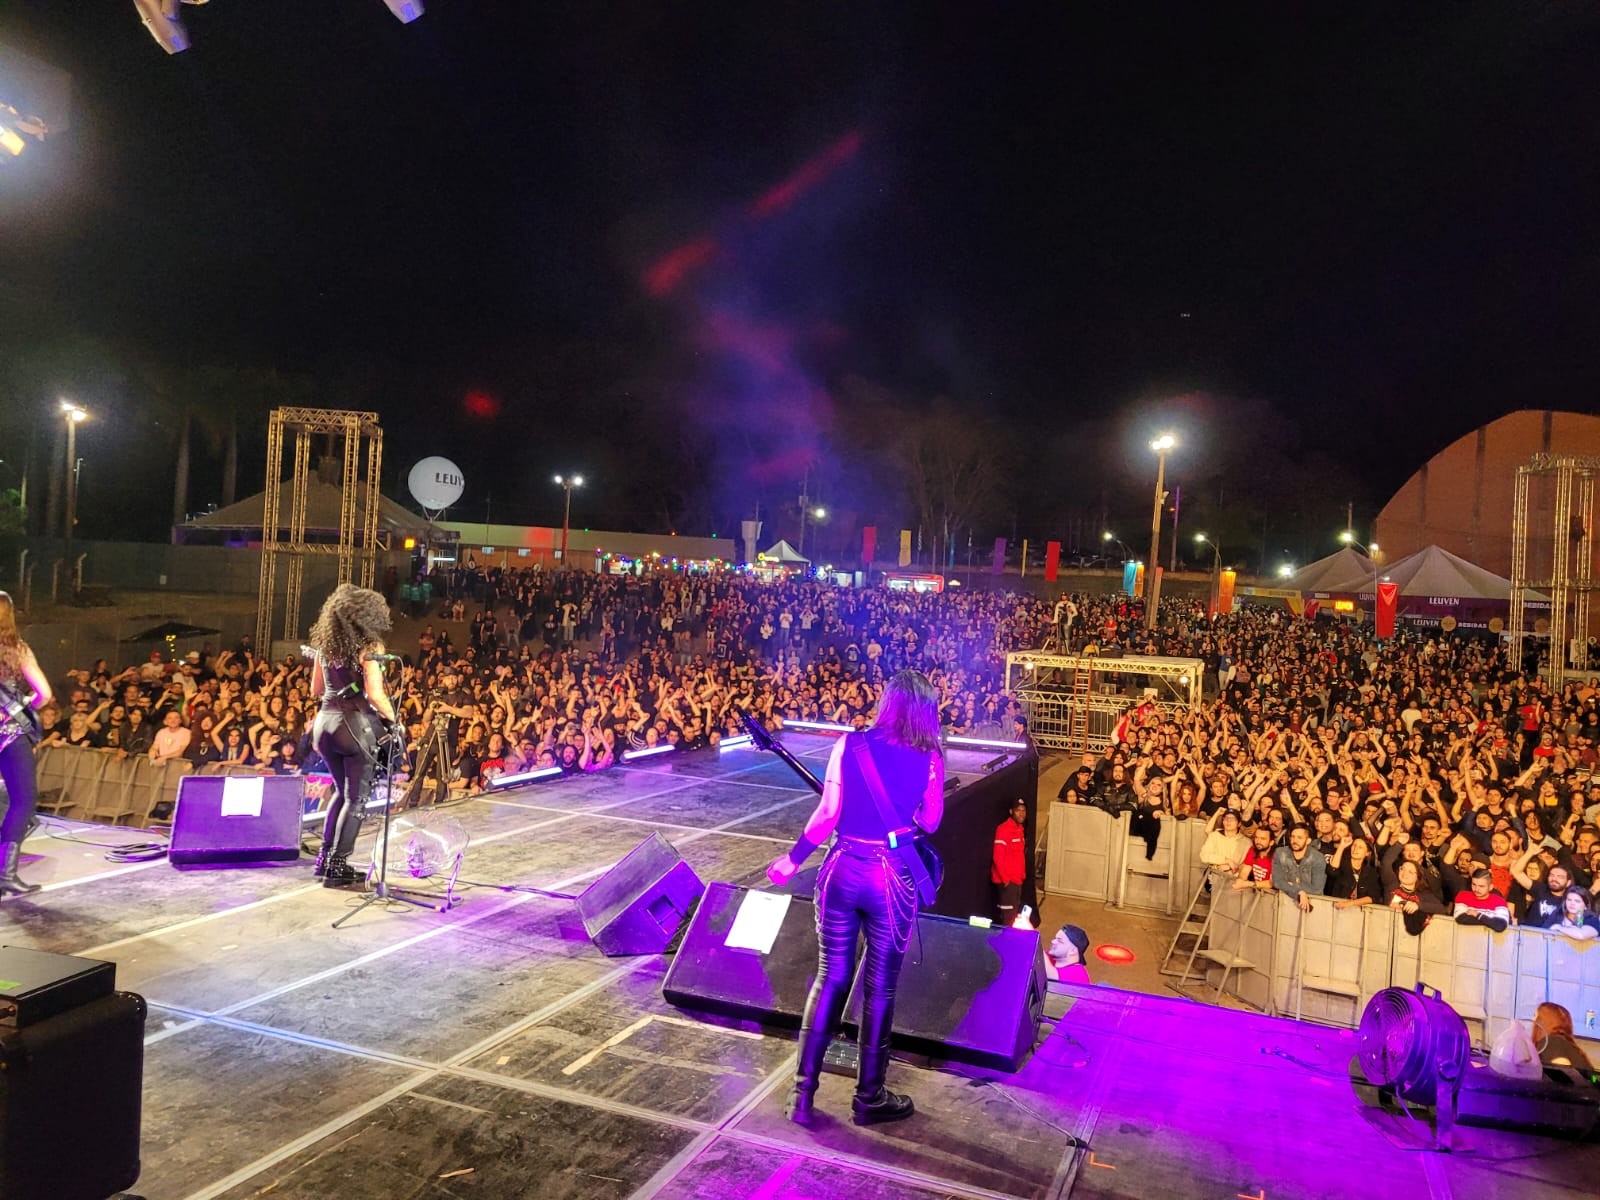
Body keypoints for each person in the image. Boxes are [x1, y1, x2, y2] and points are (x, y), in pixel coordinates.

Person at [767, 670, 946, 1129]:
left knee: (830, 978)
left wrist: (792, 860)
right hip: (890, 879)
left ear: (888, 702)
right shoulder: (929, 755)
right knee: (879, 988)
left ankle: (801, 1095)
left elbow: (827, 813)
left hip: (842, 869)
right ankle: (869, 1097)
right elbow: (931, 820)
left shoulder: (851, 744)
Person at [308, 585, 398, 889]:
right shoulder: (370, 646)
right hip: (352, 726)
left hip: (324, 724)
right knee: (356, 799)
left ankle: (324, 859)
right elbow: (375, 693)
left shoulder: (325, 645)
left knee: (340, 791)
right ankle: (338, 866)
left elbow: (316, 689)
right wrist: (395, 720)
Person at [0, 591, 51, 898]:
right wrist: (24, 704)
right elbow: (44, 694)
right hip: (10, 734)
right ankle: (5, 875)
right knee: (23, 799)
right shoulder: (18, 649)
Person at [991, 799, 1028, 924]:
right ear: (1011, 811)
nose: (1021, 813)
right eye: (1018, 810)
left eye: (1023, 810)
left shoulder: (1020, 829)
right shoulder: (1003, 829)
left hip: (1017, 881)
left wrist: (1022, 875)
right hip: (1008, 882)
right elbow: (997, 857)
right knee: (1008, 918)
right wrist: (1006, 880)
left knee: (1014, 915)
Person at [1532, 1002, 1597, 1072]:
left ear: (1543, 1021)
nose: (1533, 1020)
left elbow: (1562, 1074)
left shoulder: (1552, 1042)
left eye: (1535, 1016)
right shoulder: (1568, 1047)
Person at [1451, 866, 1511, 932]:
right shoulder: (1462, 896)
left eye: (1481, 886)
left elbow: (1500, 925)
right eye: (1474, 884)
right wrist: (1490, 922)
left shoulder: (1499, 901)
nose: (1476, 889)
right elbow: (1460, 919)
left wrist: (1477, 914)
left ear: (1490, 887)